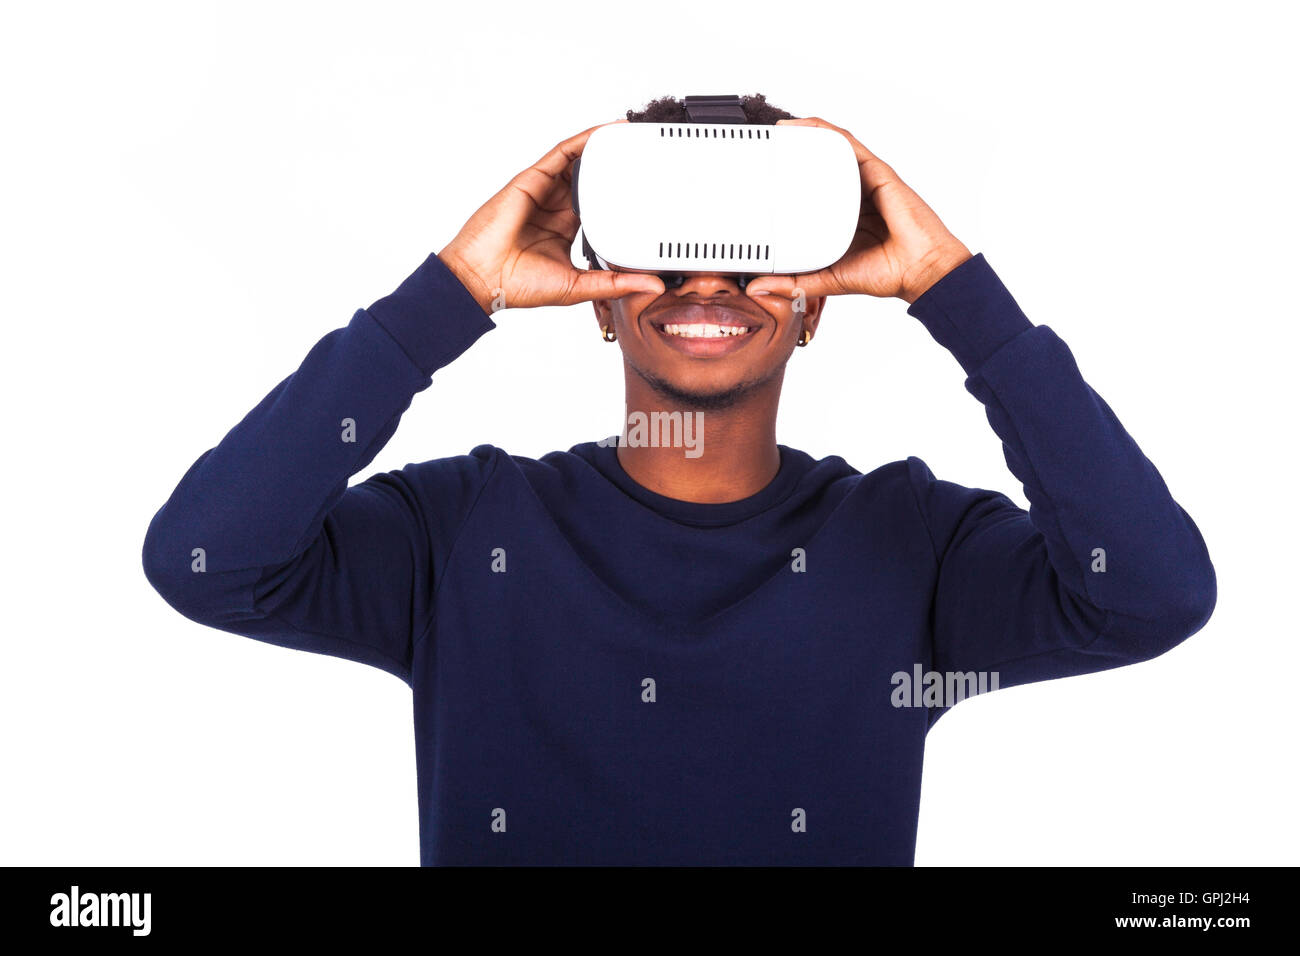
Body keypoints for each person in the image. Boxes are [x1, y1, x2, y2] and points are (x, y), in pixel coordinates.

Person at [142, 93, 1216, 865]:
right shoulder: (465, 528)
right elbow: (207, 559)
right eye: (666, 248)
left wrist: (952, 290)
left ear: (816, 303)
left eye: (758, 253)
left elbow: (1151, 593)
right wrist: (454, 291)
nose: (709, 280)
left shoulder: (912, 545)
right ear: (598, 296)